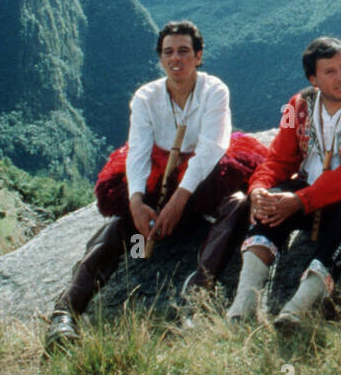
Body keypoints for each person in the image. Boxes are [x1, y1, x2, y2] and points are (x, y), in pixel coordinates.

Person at [45, 20, 247, 352]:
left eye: (184, 51)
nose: (175, 59)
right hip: (160, 170)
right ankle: (64, 314)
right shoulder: (146, 96)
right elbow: (137, 150)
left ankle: (196, 298)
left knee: (238, 203)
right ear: (160, 58)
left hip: (205, 173)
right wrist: (137, 202)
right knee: (121, 225)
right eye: (168, 52)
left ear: (198, 56)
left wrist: (179, 200)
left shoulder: (215, 91)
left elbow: (212, 147)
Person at [227, 36, 341, 327]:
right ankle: (243, 305)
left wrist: (300, 201)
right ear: (313, 79)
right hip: (306, 190)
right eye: (330, 71)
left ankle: (297, 309)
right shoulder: (296, 106)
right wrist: (259, 188)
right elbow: (279, 158)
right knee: (267, 206)